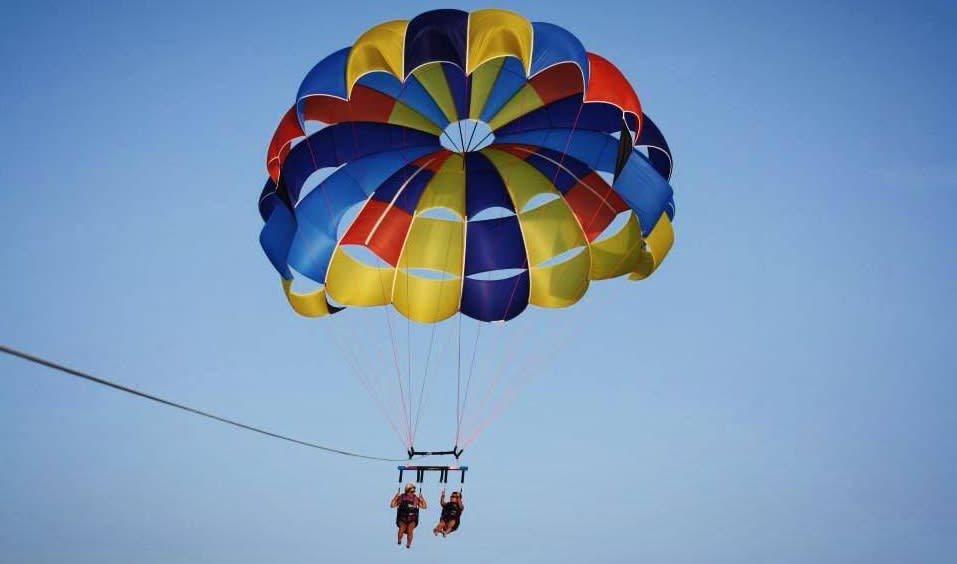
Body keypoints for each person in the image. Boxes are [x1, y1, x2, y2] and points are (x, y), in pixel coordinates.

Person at [390, 483, 426, 548]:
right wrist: (396, 496)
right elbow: (392, 505)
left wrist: (422, 498)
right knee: (402, 528)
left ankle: (408, 544)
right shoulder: (401, 497)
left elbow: (424, 506)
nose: (412, 493)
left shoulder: (415, 499)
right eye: (411, 492)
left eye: (413, 492)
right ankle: (399, 540)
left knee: (410, 530)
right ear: (407, 491)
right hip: (402, 518)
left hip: (412, 519)